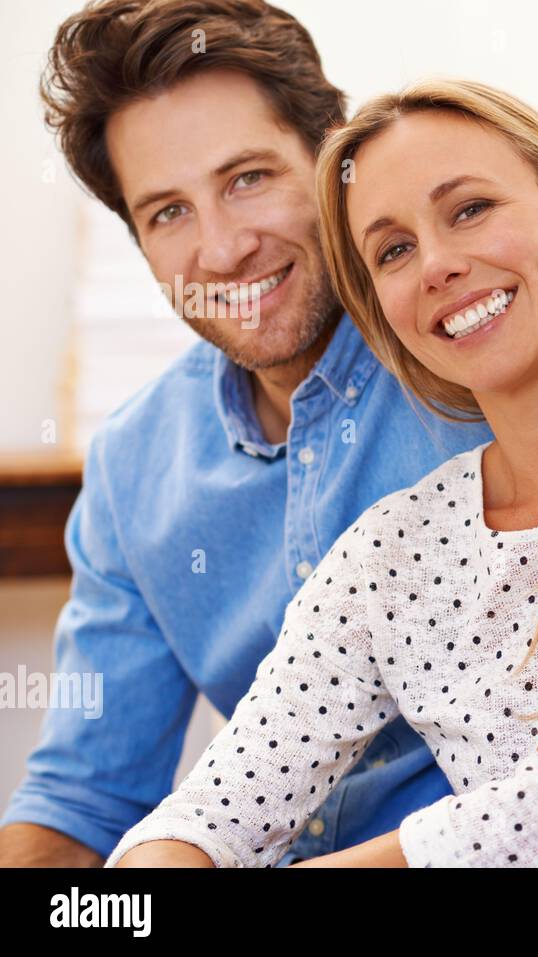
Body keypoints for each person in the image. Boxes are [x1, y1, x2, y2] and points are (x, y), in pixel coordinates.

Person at [107, 78, 538, 868]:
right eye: (394, 250)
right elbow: (216, 806)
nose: (436, 264)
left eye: (470, 209)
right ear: (383, 312)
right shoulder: (394, 551)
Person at [0, 0, 490, 868]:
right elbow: (86, 799)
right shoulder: (132, 467)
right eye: (168, 212)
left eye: (247, 178)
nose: (223, 250)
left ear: (335, 158)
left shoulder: (483, 360)